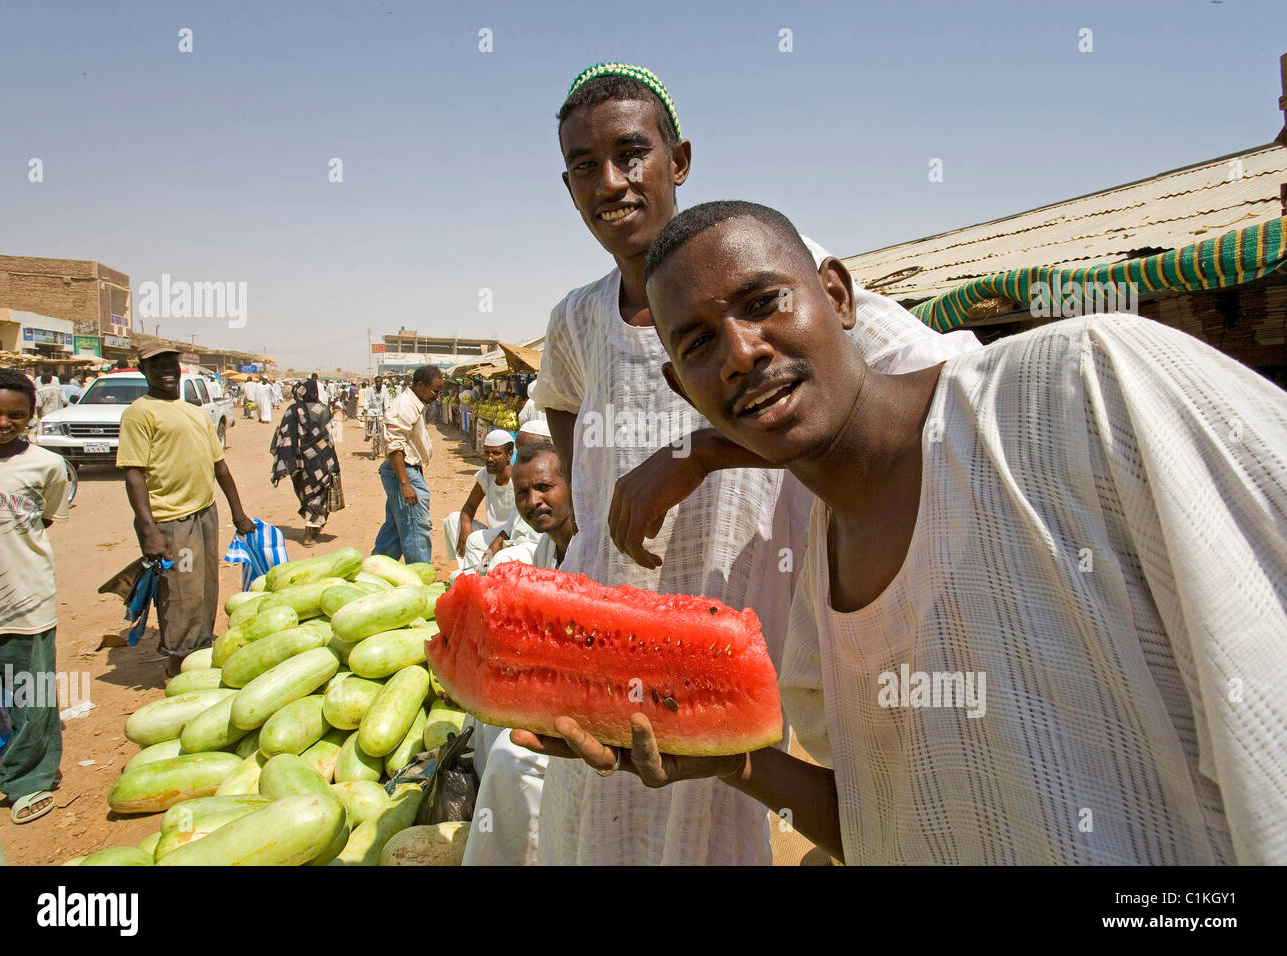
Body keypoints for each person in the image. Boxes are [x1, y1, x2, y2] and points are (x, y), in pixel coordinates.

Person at [522, 199, 1287, 865]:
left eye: (764, 302)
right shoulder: (813, 603)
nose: (742, 352)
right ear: (678, 388)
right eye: (697, 345)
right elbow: (891, 831)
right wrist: (727, 759)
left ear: (838, 295)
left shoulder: (1087, 387)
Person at [529, 63, 980, 865]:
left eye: (632, 154)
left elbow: (917, 385)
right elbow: (559, 398)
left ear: (680, 161)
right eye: (584, 166)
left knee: (704, 824)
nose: (611, 182)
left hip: (729, 619)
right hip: (602, 633)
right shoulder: (575, 317)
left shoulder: (764, 262)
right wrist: (578, 509)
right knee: (589, 825)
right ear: (567, 188)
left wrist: (699, 452)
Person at [463, 442, 576, 866]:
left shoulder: (593, 547)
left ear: (572, 483)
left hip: (582, 708)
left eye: (545, 487)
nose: (534, 502)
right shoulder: (547, 547)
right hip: (552, 687)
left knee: (509, 762)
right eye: (524, 494)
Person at [116, 340, 256, 677]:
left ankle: (199, 648)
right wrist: (148, 528)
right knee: (181, 593)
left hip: (204, 513)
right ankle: (178, 665)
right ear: (143, 370)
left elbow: (219, 466)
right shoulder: (139, 413)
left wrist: (238, 513)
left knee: (205, 588)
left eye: (171, 364)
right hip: (170, 520)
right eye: (157, 365)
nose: (167, 370)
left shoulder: (194, 412)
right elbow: (133, 473)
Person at [0, 369, 69, 827]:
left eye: (15, 415)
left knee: (30, 692)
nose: (2, 422)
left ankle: (28, 779)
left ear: (31, 417)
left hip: (24, 594)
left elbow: (46, 520)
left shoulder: (48, 465)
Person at [372, 365, 443, 565]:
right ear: (420, 385)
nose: (436, 397)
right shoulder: (404, 406)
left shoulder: (414, 405)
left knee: (395, 528)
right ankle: (419, 575)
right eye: (434, 391)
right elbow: (395, 446)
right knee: (416, 527)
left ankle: (377, 569)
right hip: (404, 471)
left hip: (407, 471)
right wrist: (405, 483)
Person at [271, 378, 343, 547]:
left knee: (307, 495)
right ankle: (309, 534)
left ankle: (314, 527)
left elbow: (282, 435)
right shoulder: (322, 410)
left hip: (299, 463)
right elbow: (329, 438)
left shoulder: (292, 410)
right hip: (322, 461)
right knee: (318, 496)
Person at [442, 430, 515, 576]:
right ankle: (469, 570)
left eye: (496, 453)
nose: (489, 458)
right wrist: (466, 528)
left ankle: (479, 573)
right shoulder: (486, 474)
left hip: (510, 537)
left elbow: (515, 526)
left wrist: (493, 543)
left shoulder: (519, 479)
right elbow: (469, 507)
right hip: (491, 535)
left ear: (509, 455)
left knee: (475, 541)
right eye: (486, 453)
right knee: (454, 519)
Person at [486, 420, 555, 570]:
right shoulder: (522, 477)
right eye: (520, 450)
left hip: (537, 545)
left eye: (527, 451)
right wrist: (497, 542)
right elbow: (512, 521)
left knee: (501, 559)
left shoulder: (554, 476)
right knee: (474, 541)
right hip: (516, 541)